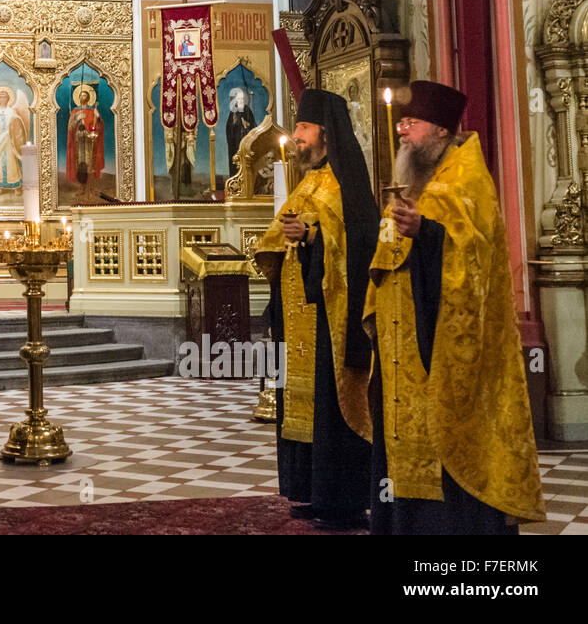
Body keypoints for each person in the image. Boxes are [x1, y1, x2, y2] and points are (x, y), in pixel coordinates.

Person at [365, 80, 545, 533]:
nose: (402, 132)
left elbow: (476, 257)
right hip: (401, 346)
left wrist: (426, 232)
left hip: (443, 347)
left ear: (442, 131)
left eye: (412, 124)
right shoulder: (411, 184)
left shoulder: (466, 179)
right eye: (401, 122)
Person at [254, 88, 377, 529]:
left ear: (325, 133)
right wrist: (284, 239)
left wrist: (311, 238)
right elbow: (277, 237)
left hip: (331, 318)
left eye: (303, 128)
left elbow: (358, 245)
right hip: (300, 314)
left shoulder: (346, 184)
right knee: (301, 402)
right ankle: (308, 490)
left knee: (329, 403)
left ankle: (340, 497)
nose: (298, 137)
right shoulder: (308, 182)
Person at [66, 84, 105, 194]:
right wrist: (76, 118)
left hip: (89, 141)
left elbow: (100, 126)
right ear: (78, 98)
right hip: (79, 141)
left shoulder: (93, 111)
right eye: (81, 95)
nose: (83, 97)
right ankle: (81, 187)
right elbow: (70, 127)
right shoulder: (75, 111)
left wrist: (97, 118)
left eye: (85, 95)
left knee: (90, 164)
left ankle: (90, 187)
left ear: (88, 98)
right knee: (80, 164)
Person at [225, 86, 257, 176]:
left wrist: (247, 125)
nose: (241, 100)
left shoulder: (247, 110)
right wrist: (237, 123)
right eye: (239, 98)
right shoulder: (233, 112)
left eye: (242, 98)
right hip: (235, 143)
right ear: (235, 100)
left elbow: (253, 125)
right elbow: (229, 128)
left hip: (246, 142)